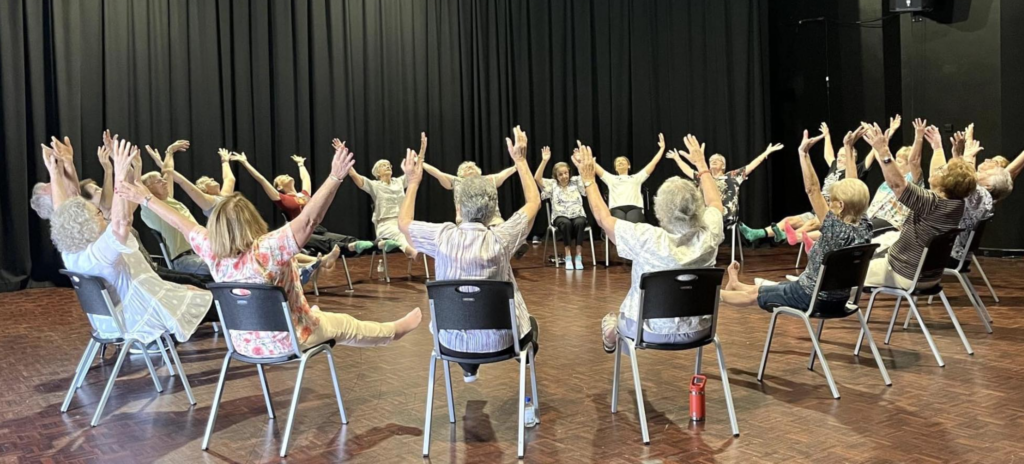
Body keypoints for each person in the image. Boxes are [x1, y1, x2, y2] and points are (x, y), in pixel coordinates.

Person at [115, 140, 422, 358]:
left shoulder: (211, 248)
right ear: (250, 219)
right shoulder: (267, 249)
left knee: (315, 312)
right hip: (287, 339)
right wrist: (335, 177)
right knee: (345, 323)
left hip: (243, 342)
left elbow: (183, 223)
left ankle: (311, 311)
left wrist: (144, 197)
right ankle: (392, 331)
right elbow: (309, 219)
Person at [400, 126, 541, 382]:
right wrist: (520, 161)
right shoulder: (501, 237)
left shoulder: (442, 236)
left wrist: (412, 183)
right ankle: (525, 375)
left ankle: (468, 366)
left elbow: (404, 223)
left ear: (457, 207)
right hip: (503, 340)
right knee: (532, 324)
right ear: (492, 210)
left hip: (449, 342)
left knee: (465, 312)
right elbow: (534, 202)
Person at [48, 136, 211, 343]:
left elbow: (62, 211)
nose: (101, 215)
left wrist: (58, 170)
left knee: (195, 289)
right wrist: (120, 171)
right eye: (97, 214)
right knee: (209, 298)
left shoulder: (71, 250)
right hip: (136, 316)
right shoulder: (100, 252)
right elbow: (121, 222)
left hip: (105, 322)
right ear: (87, 224)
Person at [576, 135, 725, 352]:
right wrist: (702, 166)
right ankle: (615, 330)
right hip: (701, 329)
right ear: (697, 206)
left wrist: (588, 178)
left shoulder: (647, 238)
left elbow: (603, 219)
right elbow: (715, 203)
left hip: (647, 330)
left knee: (614, 321)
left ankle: (613, 330)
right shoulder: (710, 233)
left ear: (659, 210)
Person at [720, 130, 873, 312]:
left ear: (840, 205)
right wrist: (848, 148)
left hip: (810, 297)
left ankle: (712, 294)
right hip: (838, 301)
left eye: (831, 201)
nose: (828, 204)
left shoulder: (835, 229)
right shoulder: (865, 226)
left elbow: (812, 189)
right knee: (768, 288)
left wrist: (803, 154)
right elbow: (854, 185)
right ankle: (736, 284)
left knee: (754, 296)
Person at [861, 122, 976, 289]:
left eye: (942, 171)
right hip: (930, 276)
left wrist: (883, 151)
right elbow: (956, 176)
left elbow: (898, 185)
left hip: (904, 273)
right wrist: (940, 148)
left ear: (946, 183)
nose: (937, 170)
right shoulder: (957, 204)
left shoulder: (931, 203)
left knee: (848, 272)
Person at [740, 123, 874, 244]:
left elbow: (856, 175)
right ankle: (757, 233)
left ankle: (791, 236)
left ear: (852, 157)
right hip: (817, 208)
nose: (839, 158)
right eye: (839, 155)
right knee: (789, 220)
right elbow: (828, 154)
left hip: (835, 212)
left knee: (813, 223)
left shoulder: (855, 169)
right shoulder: (834, 166)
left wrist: (877, 145)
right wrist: (826, 136)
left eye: (843, 156)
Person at [232, 150, 375, 259]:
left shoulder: (304, 194)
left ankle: (378, 245)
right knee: (327, 241)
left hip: (316, 228)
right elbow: (262, 180)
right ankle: (349, 247)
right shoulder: (281, 198)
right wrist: (245, 163)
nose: (287, 175)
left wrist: (301, 164)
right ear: (279, 187)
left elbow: (305, 178)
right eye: (283, 178)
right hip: (299, 231)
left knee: (345, 237)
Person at [138, 139, 212, 276]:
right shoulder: (150, 207)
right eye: (158, 181)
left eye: (162, 179)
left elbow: (168, 172)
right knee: (224, 265)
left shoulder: (169, 201)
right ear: (147, 188)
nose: (164, 181)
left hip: (200, 253)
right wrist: (135, 167)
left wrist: (170, 152)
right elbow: (137, 185)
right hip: (184, 260)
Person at [668, 140, 783, 224]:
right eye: (711, 160)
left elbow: (751, 166)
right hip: (704, 214)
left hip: (725, 214)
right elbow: (687, 170)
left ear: (723, 166)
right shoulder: (704, 176)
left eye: (717, 160)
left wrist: (766, 152)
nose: (713, 161)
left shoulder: (732, 176)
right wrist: (676, 158)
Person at [345, 136, 423, 258]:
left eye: (389, 165)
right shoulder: (374, 186)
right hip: (385, 225)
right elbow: (355, 175)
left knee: (417, 232)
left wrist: (422, 151)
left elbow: (415, 173)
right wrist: (343, 155)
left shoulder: (399, 182)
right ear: (377, 173)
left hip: (403, 221)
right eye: (383, 165)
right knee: (401, 234)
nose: (387, 167)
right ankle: (413, 253)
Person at [422, 141, 517, 227]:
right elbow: (438, 173)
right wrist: (420, 162)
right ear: (461, 173)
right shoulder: (458, 182)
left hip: (493, 222)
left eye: (471, 167)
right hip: (466, 224)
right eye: (466, 168)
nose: (470, 169)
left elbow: (504, 174)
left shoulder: (488, 179)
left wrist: (518, 165)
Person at [534, 145, 590, 270]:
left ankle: (579, 256)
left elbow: (586, 176)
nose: (564, 176)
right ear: (556, 176)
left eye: (566, 173)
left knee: (580, 222)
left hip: (577, 214)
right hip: (560, 216)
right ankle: (568, 256)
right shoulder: (553, 184)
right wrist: (544, 161)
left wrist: (579, 162)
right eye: (560, 174)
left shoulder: (575, 181)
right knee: (566, 224)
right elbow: (537, 178)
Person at [592, 133, 667, 223]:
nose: (620, 162)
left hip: (634, 207)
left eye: (623, 161)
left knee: (633, 222)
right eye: (618, 162)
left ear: (628, 166)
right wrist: (585, 157)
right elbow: (595, 167)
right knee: (619, 224)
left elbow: (652, 163)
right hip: (616, 208)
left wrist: (662, 149)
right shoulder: (610, 178)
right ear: (615, 168)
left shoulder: (636, 178)